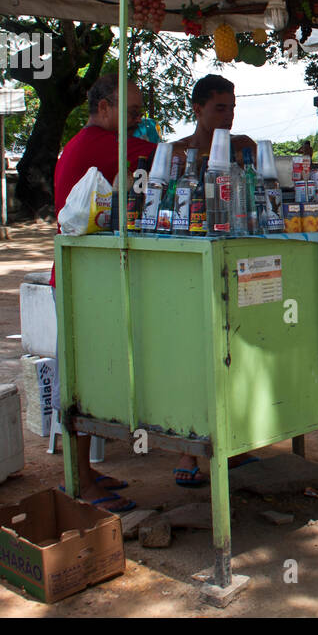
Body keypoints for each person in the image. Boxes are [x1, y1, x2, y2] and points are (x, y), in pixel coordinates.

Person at [51, 74, 158, 511]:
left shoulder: (94, 142)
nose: (137, 119)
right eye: (130, 112)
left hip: (87, 277)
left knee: (91, 376)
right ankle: (79, 481)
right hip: (82, 281)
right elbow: (167, 155)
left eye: (139, 111)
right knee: (81, 381)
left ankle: (85, 472)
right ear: (103, 108)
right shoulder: (100, 143)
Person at [168, 73, 258, 488]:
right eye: (220, 107)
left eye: (232, 106)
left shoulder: (245, 149)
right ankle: (189, 447)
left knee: (235, 350)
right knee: (192, 352)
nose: (228, 114)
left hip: (237, 260)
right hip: (190, 265)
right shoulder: (176, 153)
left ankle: (234, 439)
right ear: (197, 109)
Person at [170, 74, 256, 167]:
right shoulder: (176, 150)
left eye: (231, 108)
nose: (229, 115)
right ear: (198, 109)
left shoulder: (243, 145)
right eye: (220, 109)